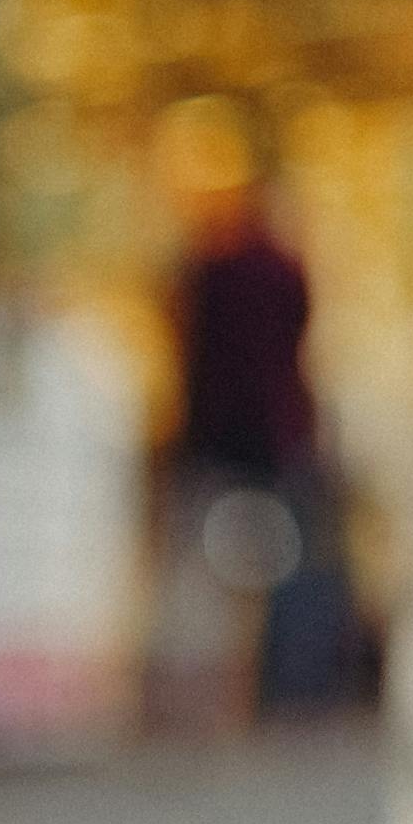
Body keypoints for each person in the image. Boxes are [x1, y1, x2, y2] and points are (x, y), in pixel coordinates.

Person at [167, 197, 364, 711]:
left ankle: (213, 689)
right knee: (288, 563)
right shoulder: (280, 271)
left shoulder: (211, 273)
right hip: (276, 433)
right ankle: (291, 684)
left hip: (220, 434)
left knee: (219, 570)